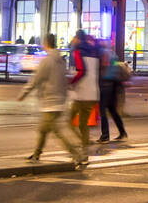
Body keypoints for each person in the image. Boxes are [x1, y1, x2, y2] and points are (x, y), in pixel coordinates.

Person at [18, 33, 81, 165]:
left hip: (50, 101)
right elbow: (65, 80)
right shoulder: (61, 61)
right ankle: (36, 154)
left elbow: (36, 79)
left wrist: (24, 93)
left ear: (46, 43)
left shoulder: (47, 61)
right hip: (59, 100)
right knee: (44, 130)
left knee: (54, 130)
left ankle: (75, 154)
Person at [67, 31, 100, 164]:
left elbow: (81, 71)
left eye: (74, 38)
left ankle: (83, 146)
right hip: (93, 93)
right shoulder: (94, 52)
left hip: (81, 94)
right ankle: (84, 148)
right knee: (83, 124)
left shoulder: (77, 52)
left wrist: (71, 83)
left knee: (68, 121)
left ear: (77, 39)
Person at [97, 41, 128, 142]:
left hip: (106, 83)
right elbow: (115, 67)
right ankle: (122, 132)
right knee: (112, 110)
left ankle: (105, 135)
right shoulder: (114, 55)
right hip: (114, 84)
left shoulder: (104, 53)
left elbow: (104, 65)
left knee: (102, 110)